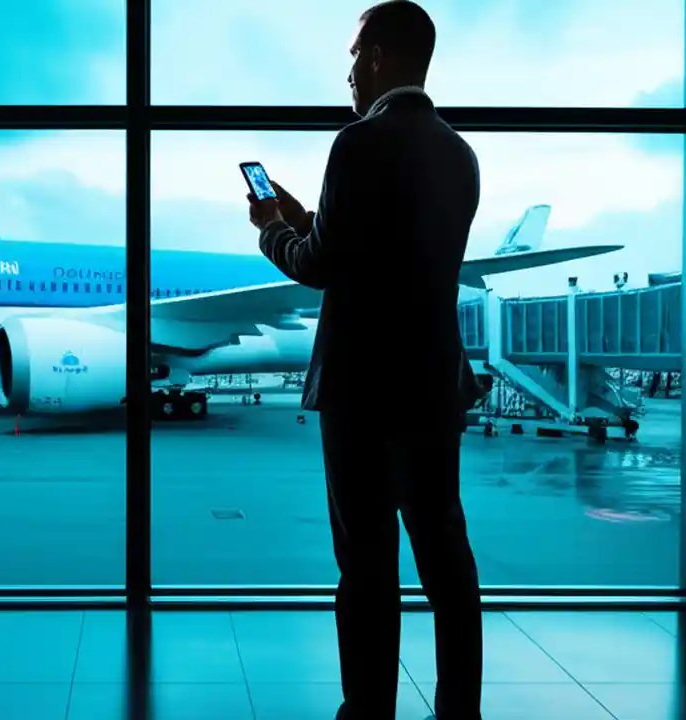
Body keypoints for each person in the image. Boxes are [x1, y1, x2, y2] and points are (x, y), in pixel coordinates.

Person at [245, 2, 483, 719]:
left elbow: (324, 264)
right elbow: (391, 253)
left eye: (352, 58)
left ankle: (370, 707)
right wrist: (309, 218)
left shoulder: (357, 145)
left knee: (368, 563)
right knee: (446, 556)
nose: (347, 74)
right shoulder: (459, 153)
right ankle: (459, 708)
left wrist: (274, 232)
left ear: (377, 56)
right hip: (435, 384)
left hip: (363, 390)